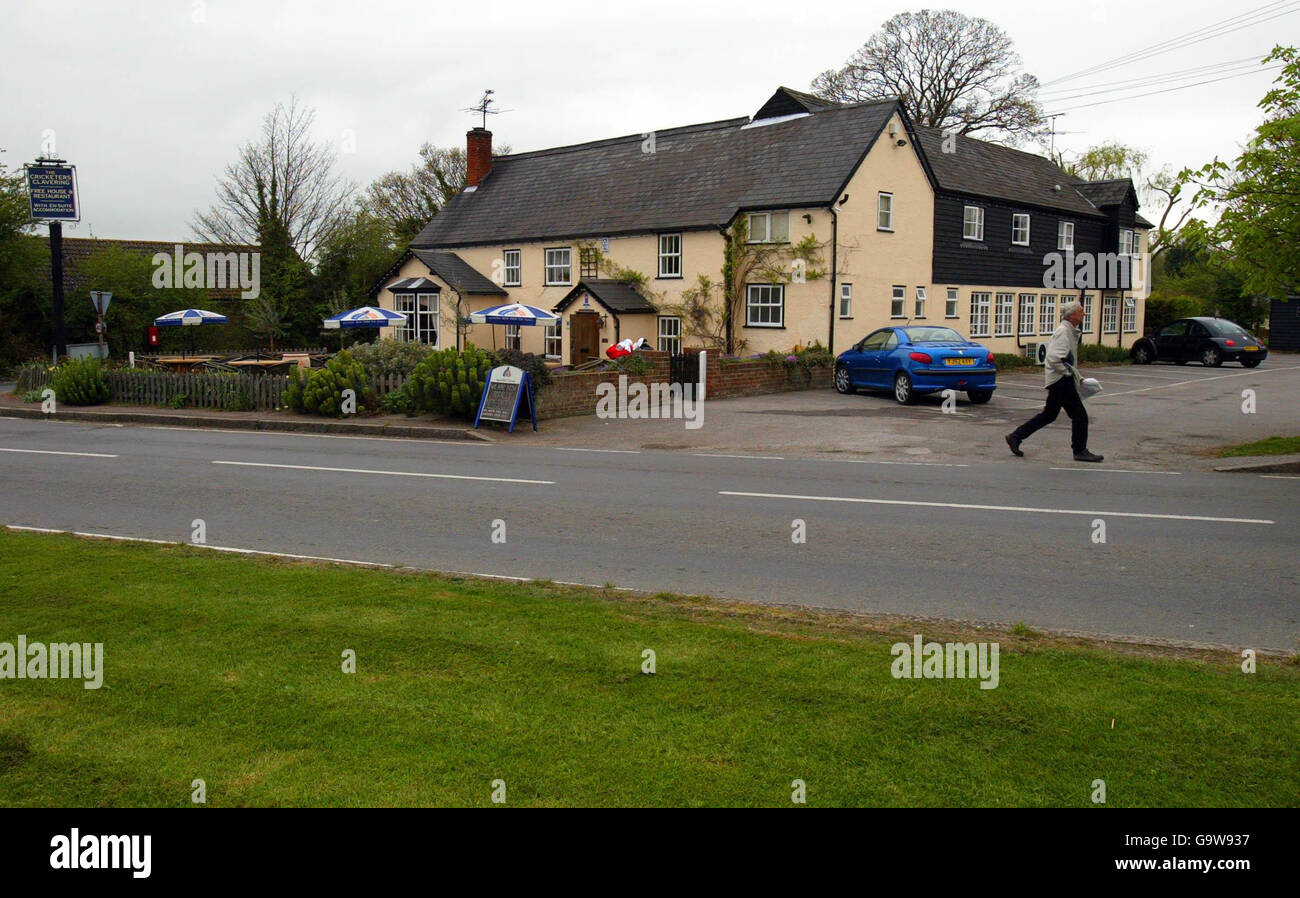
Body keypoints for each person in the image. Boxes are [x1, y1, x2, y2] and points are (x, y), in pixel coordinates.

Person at [1005, 299, 1104, 463]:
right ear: (1072, 315)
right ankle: (1080, 451)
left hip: (1058, 379)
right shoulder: (1063, 332)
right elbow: (1053, 358)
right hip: (1060, 380)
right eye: (1081, 311)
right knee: (1080, 416)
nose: (1084, 313)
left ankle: (1015, 436)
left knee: (1049, 415)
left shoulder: (1069, 330)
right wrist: (1067, 374)